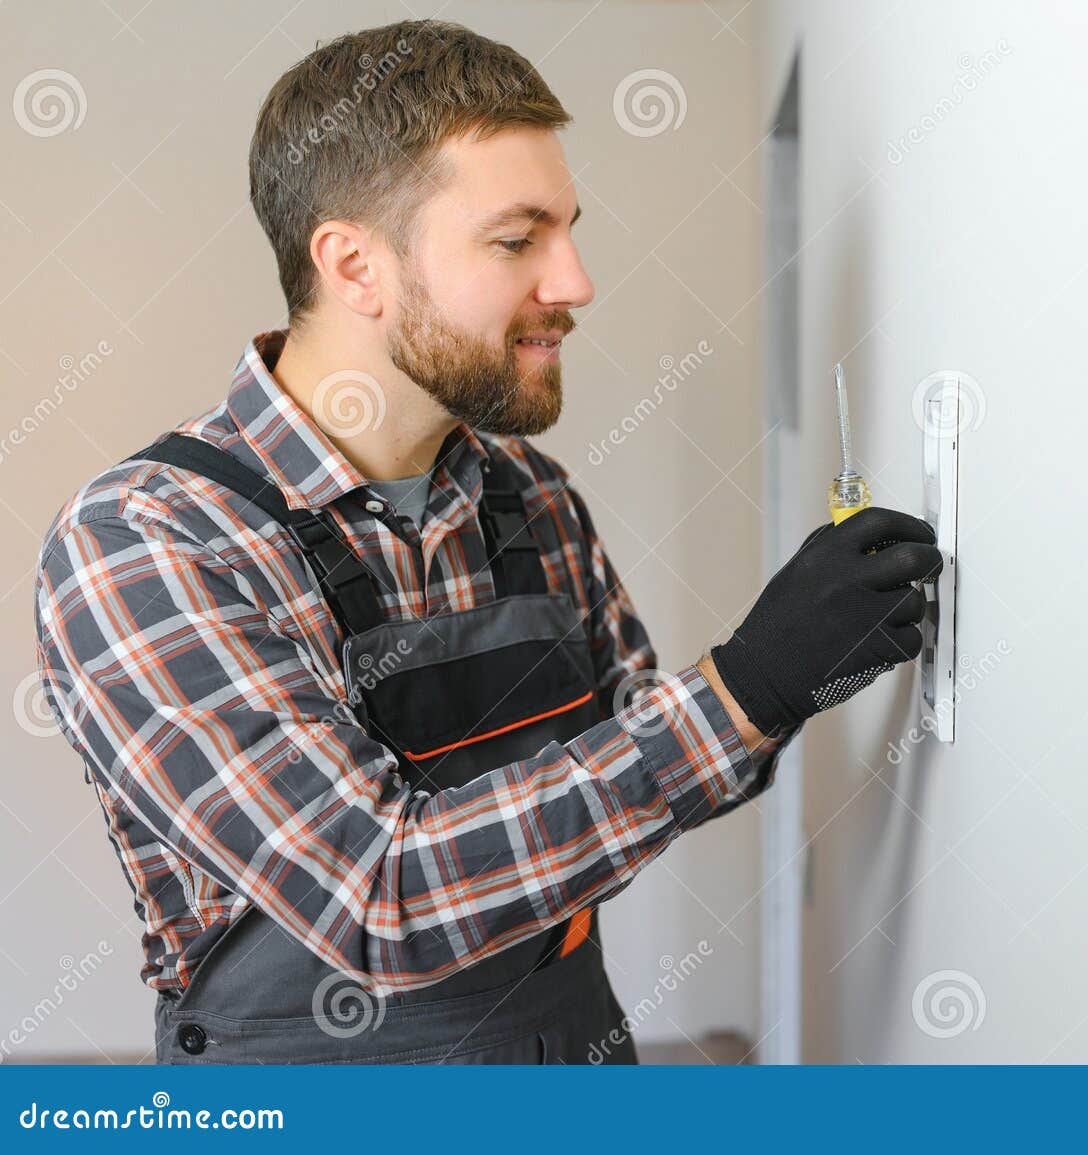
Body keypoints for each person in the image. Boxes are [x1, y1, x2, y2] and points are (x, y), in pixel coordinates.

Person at [30, 18, 940, 1065]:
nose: (575, 282)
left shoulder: (531, 499)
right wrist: (745, 689)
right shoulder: (149, 542)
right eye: (518, 240)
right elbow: (380, 895)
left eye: (568, 230)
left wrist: (804, 664)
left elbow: (648, 756)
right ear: (354, 264)